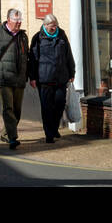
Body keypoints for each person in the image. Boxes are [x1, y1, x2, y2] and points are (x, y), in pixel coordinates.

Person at [0, 8, 28, 149]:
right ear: (8, 20)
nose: (19, 23)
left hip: (19, 79)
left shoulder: (23, 36)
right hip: (3, 79)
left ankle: (5, 133)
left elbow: (27, 58)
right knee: (8, 108)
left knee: (17, 111)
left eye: (20, 20)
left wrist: (30, 76)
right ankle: (12, 138)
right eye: (16, 20)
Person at [28, 13, 76, 143]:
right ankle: (49, 133)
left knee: (60, 104)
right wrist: (32, 77)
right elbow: (32, 59)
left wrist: (72, 72)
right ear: (45, 25)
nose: (54, 28)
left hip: (61, 77)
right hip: (44, 79)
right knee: (46, 107)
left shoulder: (62, 35)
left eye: (55, 26)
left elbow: (68, 55)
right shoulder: (38, 38)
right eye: (51, 26)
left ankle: (54, 128)